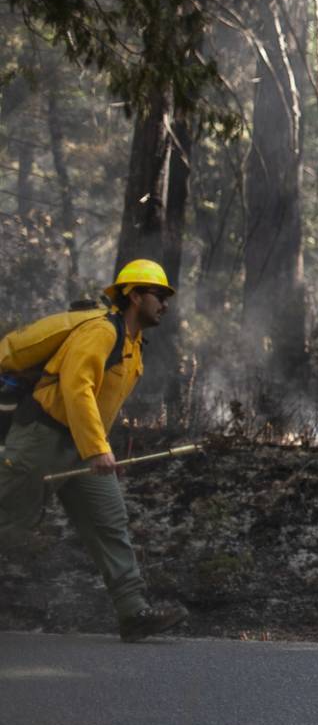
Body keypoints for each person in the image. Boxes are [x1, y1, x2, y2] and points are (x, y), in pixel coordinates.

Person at [0, 259, 189, 641]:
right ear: (135, 296)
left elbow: (100, 403)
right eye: (158, 295)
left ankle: (133, 613)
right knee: (8, 521)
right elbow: (76, 388)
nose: (165, 304)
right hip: (42, 438)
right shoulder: (101, 331)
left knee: (109, 522)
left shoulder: (134, 346)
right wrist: (96, 448)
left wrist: (98, 448)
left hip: (82, 447)